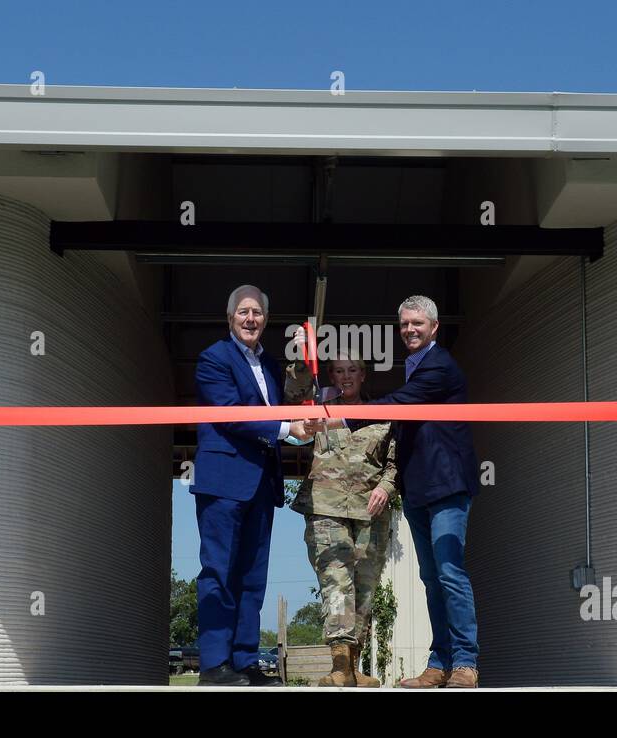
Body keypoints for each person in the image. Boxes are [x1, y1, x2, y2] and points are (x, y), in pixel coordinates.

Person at [317, 294, 481, 688]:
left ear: (434, 328)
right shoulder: (415, 365)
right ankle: (439, 664)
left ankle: (465, 663)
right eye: (405, 323)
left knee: (449, 571)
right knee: (431, 577)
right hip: (421, 490)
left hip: (447, 486)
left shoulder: (437, 366)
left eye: (417, 324)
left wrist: (345, 413)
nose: (410, 329)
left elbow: (402, 404)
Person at [189, 284, 310, 686]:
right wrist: (285, 428)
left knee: (253, 578)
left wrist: (300, 428)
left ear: (265, 320)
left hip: (261, 482)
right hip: (224, 481)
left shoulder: (272, 366)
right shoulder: (213, 359)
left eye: (257, 313)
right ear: (229, 318)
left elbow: (285, 413)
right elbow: (231, 415)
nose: (250, 319)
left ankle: (244, 661)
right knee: (219, 572)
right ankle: (213, 664)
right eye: (243, 312)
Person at [284, 344, 397, 687]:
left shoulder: (383, 413)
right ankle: (338, 663)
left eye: (352, 370)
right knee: (336, 582)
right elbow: (294, 398)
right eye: (339, 371)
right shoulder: (318, 412)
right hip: (325, 509)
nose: (346, 376)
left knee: (364, 587)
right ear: (331, 376)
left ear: (363, 375)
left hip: (370, 512)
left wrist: (387, 488)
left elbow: (395, 463)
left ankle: (353, 665)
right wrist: (300, 365)